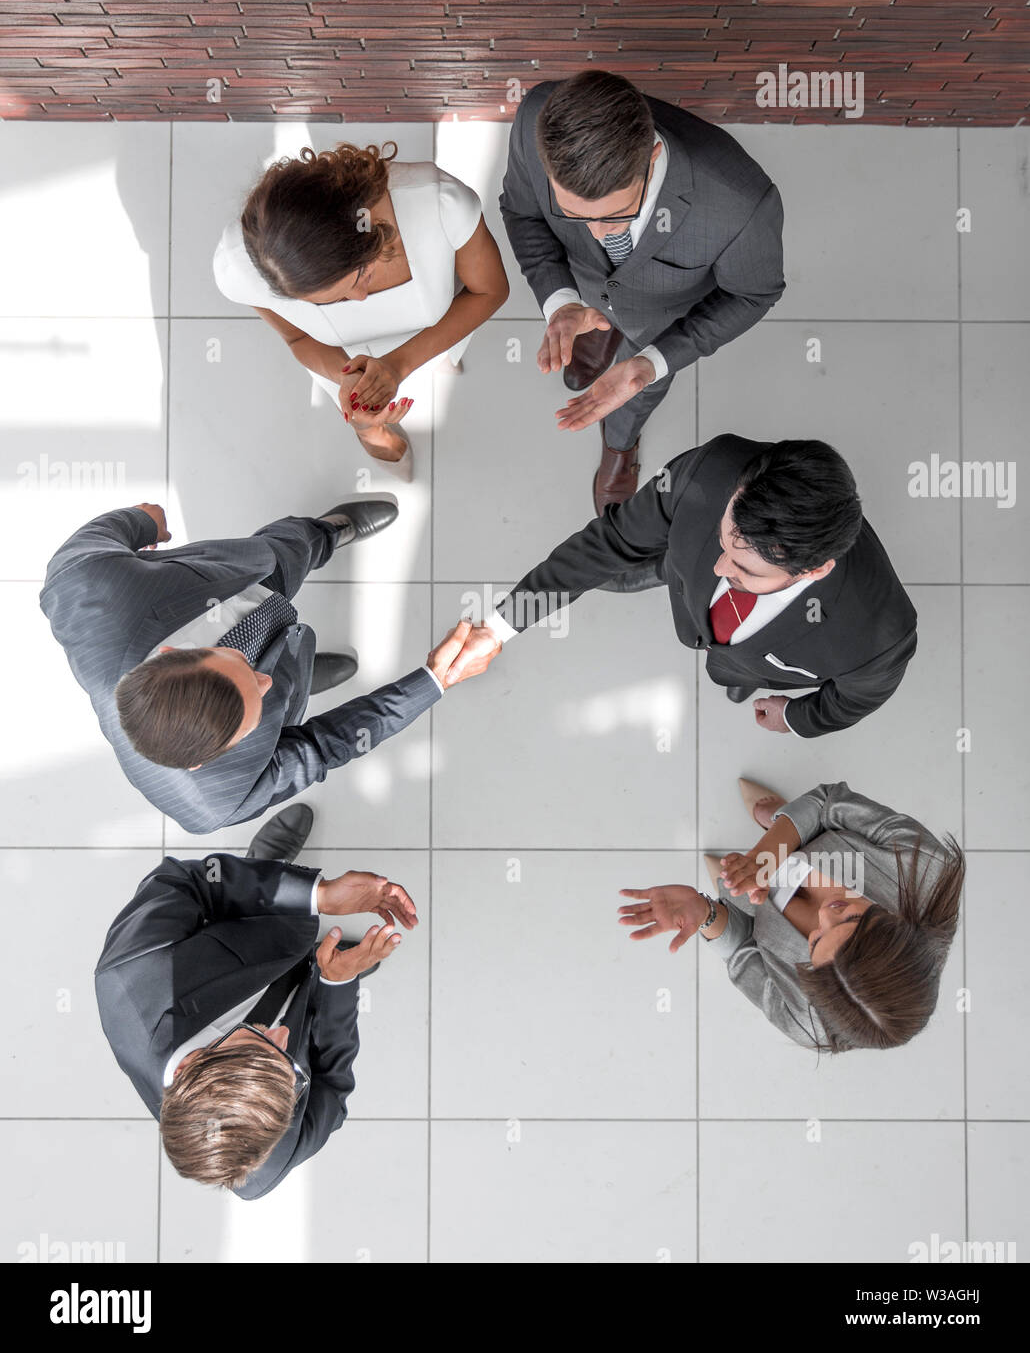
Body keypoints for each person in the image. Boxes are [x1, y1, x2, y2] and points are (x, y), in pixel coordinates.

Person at [39, 499, 476, 834]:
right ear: (200, 763)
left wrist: (143, 520)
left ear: (172, 656)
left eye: (243, 671)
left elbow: (83, 548)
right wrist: (436, 679)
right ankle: (300, 674)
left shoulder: (86, 587)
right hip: (272, 675)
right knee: (285, 691)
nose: (264, 679)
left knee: (288, 547)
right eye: (249, 720)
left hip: (236, 582)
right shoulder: (216, 802)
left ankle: (328, 532)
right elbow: (322, 747)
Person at [439, 435, 918, 738]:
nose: (719, 568)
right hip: (688, 599)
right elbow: (612, 539)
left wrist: (794, 717)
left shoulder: (878, 640)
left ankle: (735, 676)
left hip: (761, 668)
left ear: (813, 571)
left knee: (732, 671)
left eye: (744, 571)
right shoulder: (709, 471)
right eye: (722, 540)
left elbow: (851, 701)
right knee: (664, 568)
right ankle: (664, 572)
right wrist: (498, 629)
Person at [500, 69, 784, 512]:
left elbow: (752, 295)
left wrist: (650, 364)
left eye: (614, 216)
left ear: (651, 159)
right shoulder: (536, 116)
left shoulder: (740, 203)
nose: (594, 233)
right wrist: (562, 300)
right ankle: (597, 324)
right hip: (589, 289)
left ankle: (620, 444)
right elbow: (521, 212)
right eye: (573, 214)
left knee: (635, 388)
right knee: (596, 309)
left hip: (660, 319)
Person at [95, 805, 411, 1199]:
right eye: (292, 1069)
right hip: (320, 983)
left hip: (242, 934)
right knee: (329, 971)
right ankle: (318, 967)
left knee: (256, 891)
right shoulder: (267, 1161)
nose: (284, 1033)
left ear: (192, 1063)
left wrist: (317, 894)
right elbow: (332, 1085)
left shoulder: (130, 978)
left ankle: (266, 867)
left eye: (256, 1040)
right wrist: (336, 982)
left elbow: (185, 881)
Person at [214, 139, 509, 481]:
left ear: (368, 238)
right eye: (331, 302)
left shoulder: (440, 203)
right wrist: (351, 384)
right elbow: (297, 338)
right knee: (367, 420)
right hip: (338, 359)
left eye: (361, 277)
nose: (359, 299)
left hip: (432, 335)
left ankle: (440, 361)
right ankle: (370, 431)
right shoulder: (242, 268)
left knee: (443, 359)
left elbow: (490, 291)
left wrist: (398, 365)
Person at [618, 779, 964, 1053]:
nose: (825, 915)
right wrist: (765, 855)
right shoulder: (926, 870)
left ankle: (745, 867)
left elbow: (743, 954)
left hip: (755, 902)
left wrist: (705, 913)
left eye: (815, 941)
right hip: (809, 841)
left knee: (729, 892)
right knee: (792, 823)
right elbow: (829, 802)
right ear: (897, 926)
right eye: (853, 919)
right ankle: (777, 825)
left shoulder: (806, 1020)